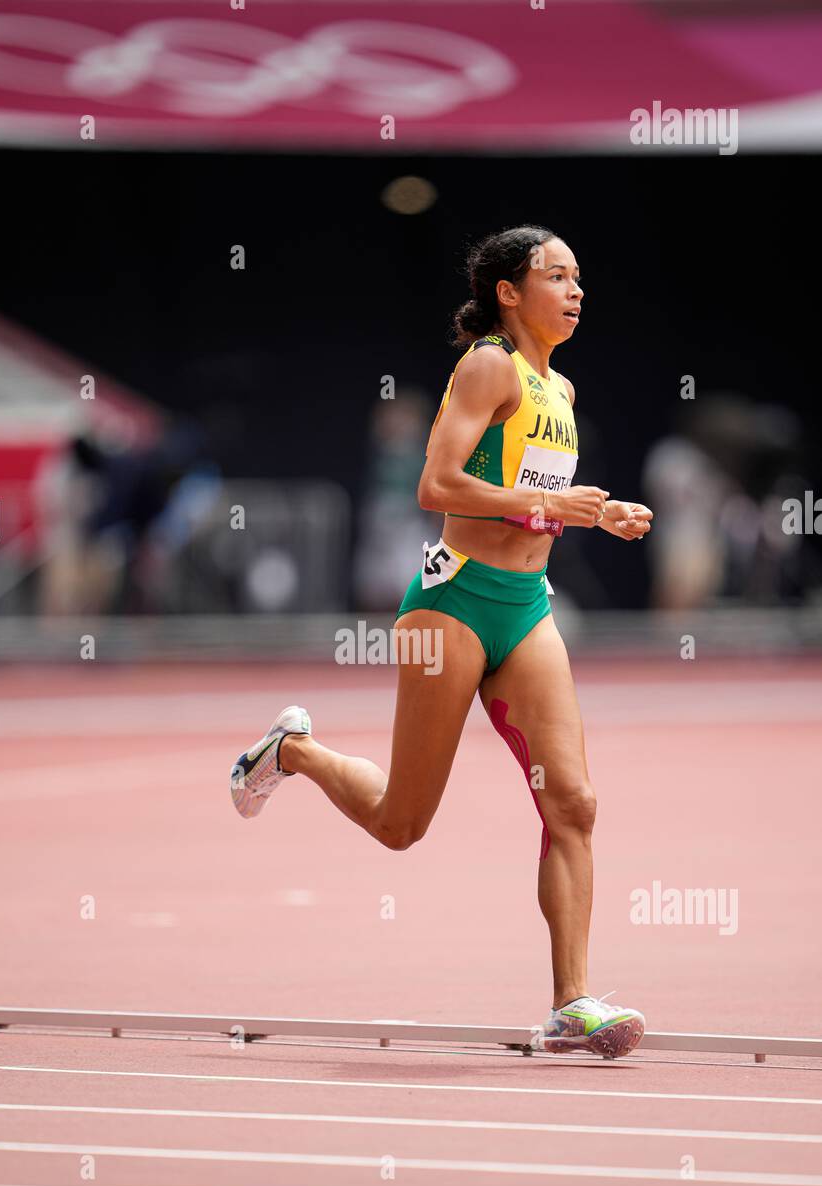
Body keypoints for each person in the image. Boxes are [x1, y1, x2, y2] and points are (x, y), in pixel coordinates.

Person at [231, 225, 653, 1060]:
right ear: (508, 290)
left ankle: (572, 1002)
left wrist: (590, 512)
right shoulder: (488, 365)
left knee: (573, 802)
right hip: (450, 602)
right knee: (401, 823)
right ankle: (296, 752)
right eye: (557, 276)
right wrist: (549, 510)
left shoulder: (559, 392)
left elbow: (534, 495)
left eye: (580, 279)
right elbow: (439, 485)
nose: (576, 291)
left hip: (526, 606)